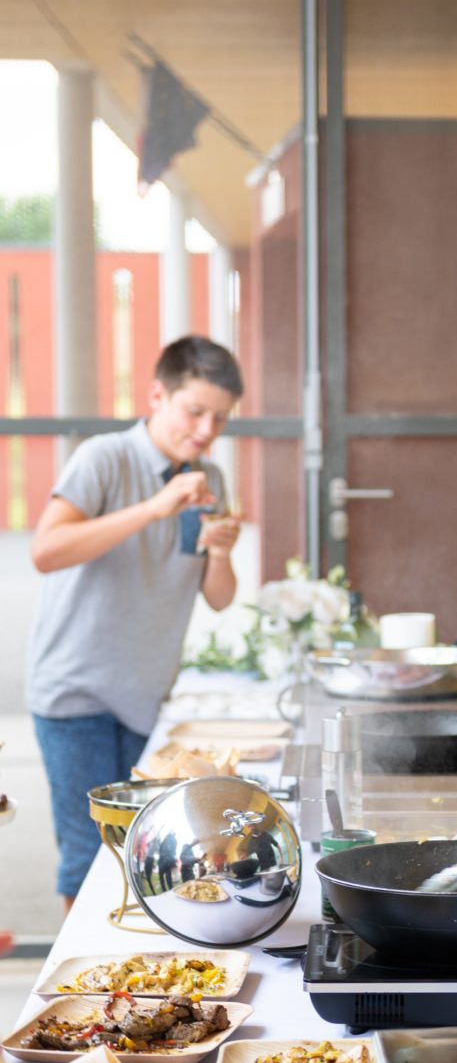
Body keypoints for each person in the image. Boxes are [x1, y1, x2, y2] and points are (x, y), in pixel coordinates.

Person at [28, 334, 244, 911]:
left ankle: (136, 986)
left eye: (219, 419)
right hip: (78, 695)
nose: (204, 430)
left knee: (146, 859)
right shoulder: (104, 458)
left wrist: (220, 549)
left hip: (147, 696)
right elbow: (46, 551)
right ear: (156, 395)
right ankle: (86, 992)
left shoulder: (209, 481)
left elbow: (219, 598)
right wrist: (155, 506)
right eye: (194, 411)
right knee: (90, 859)